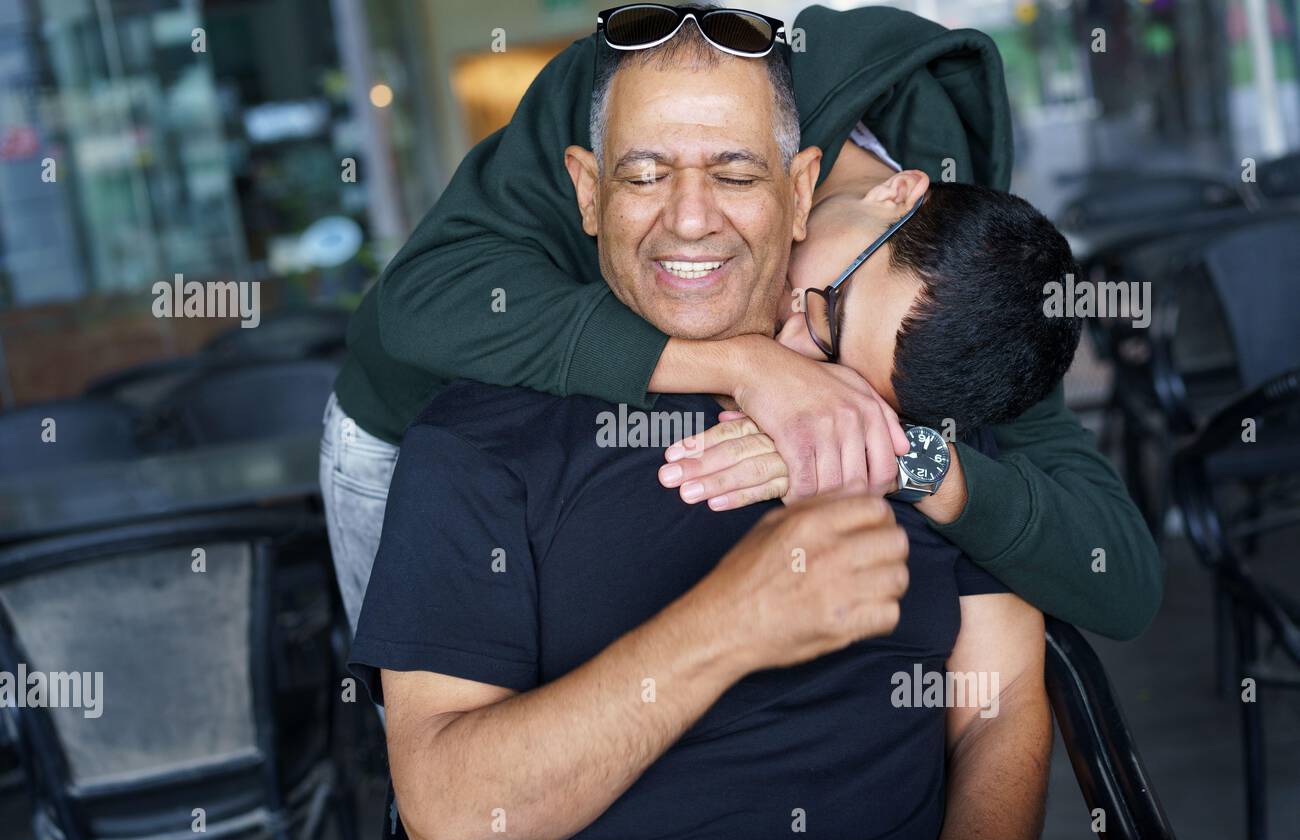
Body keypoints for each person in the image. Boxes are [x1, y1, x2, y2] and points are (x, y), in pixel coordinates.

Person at [350, 22, 1050, 840]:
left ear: (801, 192)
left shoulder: (905, 376)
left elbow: (1001, 700)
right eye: (643, 174)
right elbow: (449, 820)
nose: (688, 218)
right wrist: (731, 623)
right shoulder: (476, 438)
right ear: (586, 191)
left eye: (735, 173)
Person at [320, 3, 1162, 646]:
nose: (797, 342)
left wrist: (918, 459)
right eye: (824, 311)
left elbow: (1122, 580)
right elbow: (423, 303)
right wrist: (745, 370)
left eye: (842, 379)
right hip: (412, 432)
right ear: (897, 191)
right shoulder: (656, 81)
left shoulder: (960, 291)